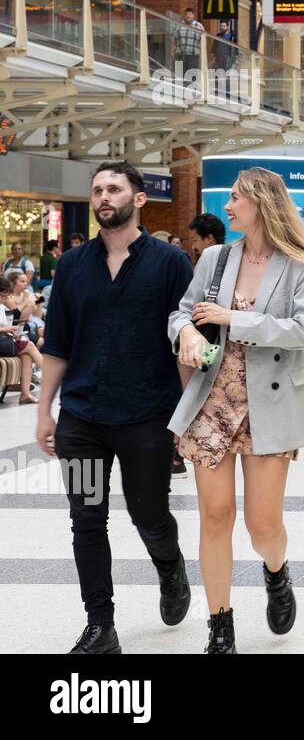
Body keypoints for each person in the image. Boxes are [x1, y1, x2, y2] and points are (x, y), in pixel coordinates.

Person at [35, 160, 194, 654]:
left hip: (147, 417)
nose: (104, 196)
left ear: (138, 199)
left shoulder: (170, 264)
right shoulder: (72, 265)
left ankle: (170, 568)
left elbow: (184, 342)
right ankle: (100, 625)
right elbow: (57, 343)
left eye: (115, 188)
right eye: (98, 189)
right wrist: (46, 410)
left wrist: (187, 420)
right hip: (82, 419)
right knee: (86, 518)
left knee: (149, 515)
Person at [170, 167, 304, 653]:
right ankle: (221, 629)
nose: (229, 205)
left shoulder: (302, 264)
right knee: (214, 517)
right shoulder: (216, 258)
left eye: (237, 197)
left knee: (263, 525)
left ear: (261, 202)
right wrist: (188, 333)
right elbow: (182, 309)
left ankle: (276, 571)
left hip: (271, 402)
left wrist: (232, 319)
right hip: (212, 402)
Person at [0, 275, 42, 403]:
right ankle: (53, 375)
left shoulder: (1, 306)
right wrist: (6, 330)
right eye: (2, 296)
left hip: (4, 339)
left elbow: (6, 326)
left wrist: (13, 331)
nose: (3, 299)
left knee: (26, 357)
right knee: (29, 345)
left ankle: (25, 394)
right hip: (3, 340)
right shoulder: (7, 303)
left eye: (5, 296)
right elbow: (7, 325)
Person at [173, 6, 205, 81]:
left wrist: (203, 53)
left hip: (193, 56)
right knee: (179, 77)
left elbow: (204, 40)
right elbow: (174, 38)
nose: (188, 16)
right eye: (187, 14)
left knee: (192, 77)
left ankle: (192, 91)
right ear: (184, 15)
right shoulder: (179, 25)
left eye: (190, 14)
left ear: (193, 15)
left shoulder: (199, 26)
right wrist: (173, 50)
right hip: (180, 55)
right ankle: (180, 92)